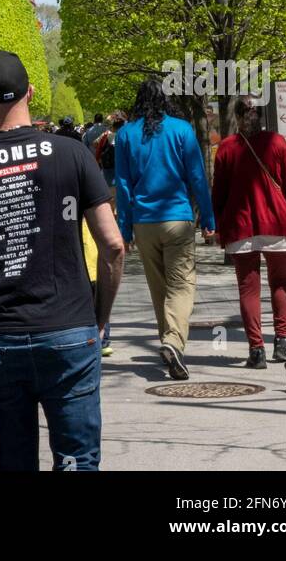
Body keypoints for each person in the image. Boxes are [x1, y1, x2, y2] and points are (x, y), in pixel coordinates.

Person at [0, 50, 124, 472]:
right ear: (31, 93)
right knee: (77, 462)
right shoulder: (73, 154)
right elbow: (112, 245)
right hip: (71, 332)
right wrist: (98, 316)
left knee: (12, 461)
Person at [115, 78, 215, 382]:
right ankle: (173, 343)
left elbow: (122, 184)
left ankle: (171, 345)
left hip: (144, 222)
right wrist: (208, 219)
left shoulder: (125, 135)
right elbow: (197, 178)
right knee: (182, 286)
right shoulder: (182, 130)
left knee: (160, 289)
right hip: (177, 219)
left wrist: (124, 230)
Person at [212, 98, 286, 368]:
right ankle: (282, 342)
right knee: (280, 282)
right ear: (260, 115)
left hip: (241, 225)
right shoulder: (276, 143)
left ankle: (256, 350)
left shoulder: (226, 148)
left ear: (236, 118)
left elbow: (219, 195)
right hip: (277, 225)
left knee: (248, 289)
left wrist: (218, 228)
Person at [94, 111, 127, 207]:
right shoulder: (126, 135)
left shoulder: (106, 134)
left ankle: (111, 213)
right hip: (123, 167)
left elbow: (95, 144)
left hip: (108, 167)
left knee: (110, 193)